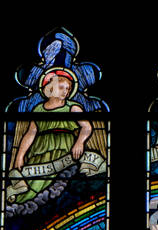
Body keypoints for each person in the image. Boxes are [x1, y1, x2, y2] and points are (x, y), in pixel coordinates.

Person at [8, 67, 96, 205]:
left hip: (64, 148)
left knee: (56, 181)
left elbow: (87, 127)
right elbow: (30, 134)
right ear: (50, 88)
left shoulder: (73, 108)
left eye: (67, 89)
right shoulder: (38, 110)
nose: (65, 91)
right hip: (40, 151)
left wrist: (79, 143)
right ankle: (19, 202)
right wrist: (19, 156)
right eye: (61, 87)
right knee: (34, 183)